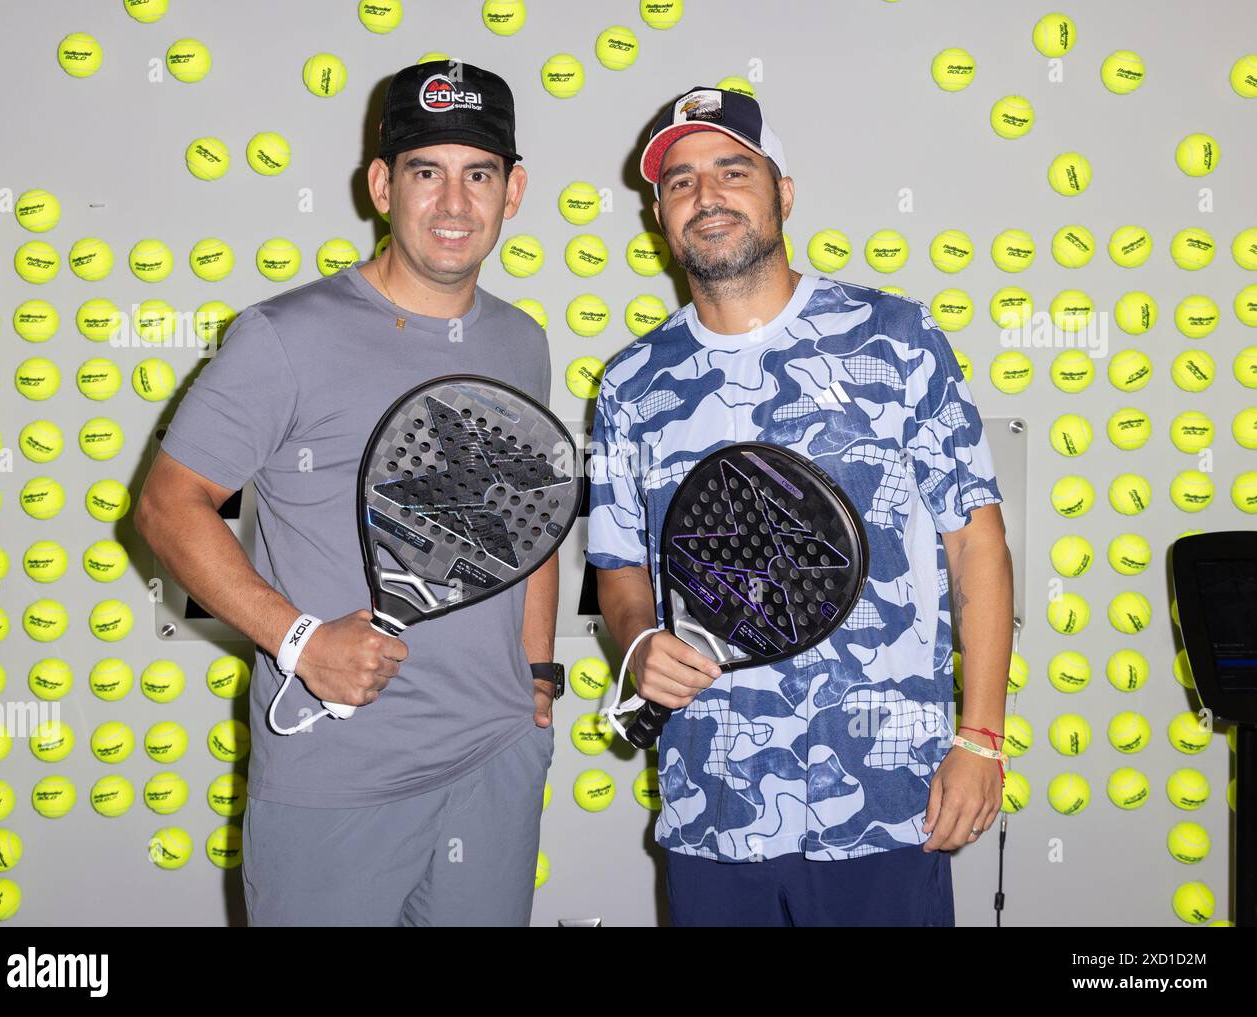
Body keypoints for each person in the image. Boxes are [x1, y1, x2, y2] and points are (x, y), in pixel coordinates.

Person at [136, 59, 562, 927]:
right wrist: (298, 642)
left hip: (494, 756)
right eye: (425, 172)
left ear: (513, 191)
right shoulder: (284, 336)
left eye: (479, 174)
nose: (454, 203)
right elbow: (166, 506)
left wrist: (538, 677)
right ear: (380, 184)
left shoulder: (522, 341)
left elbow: (525, 519)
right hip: (339, 773)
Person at [586, 86, 1015, 927]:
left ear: (783, 191)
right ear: (660, 215)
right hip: (712, 805)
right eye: (679, 182)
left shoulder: (897, 338)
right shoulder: (633, 383)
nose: (706, 196)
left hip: (891, 801)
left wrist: (981, 736)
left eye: (732, 170)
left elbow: (978, 547)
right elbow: (618, 567)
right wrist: (639, 643)